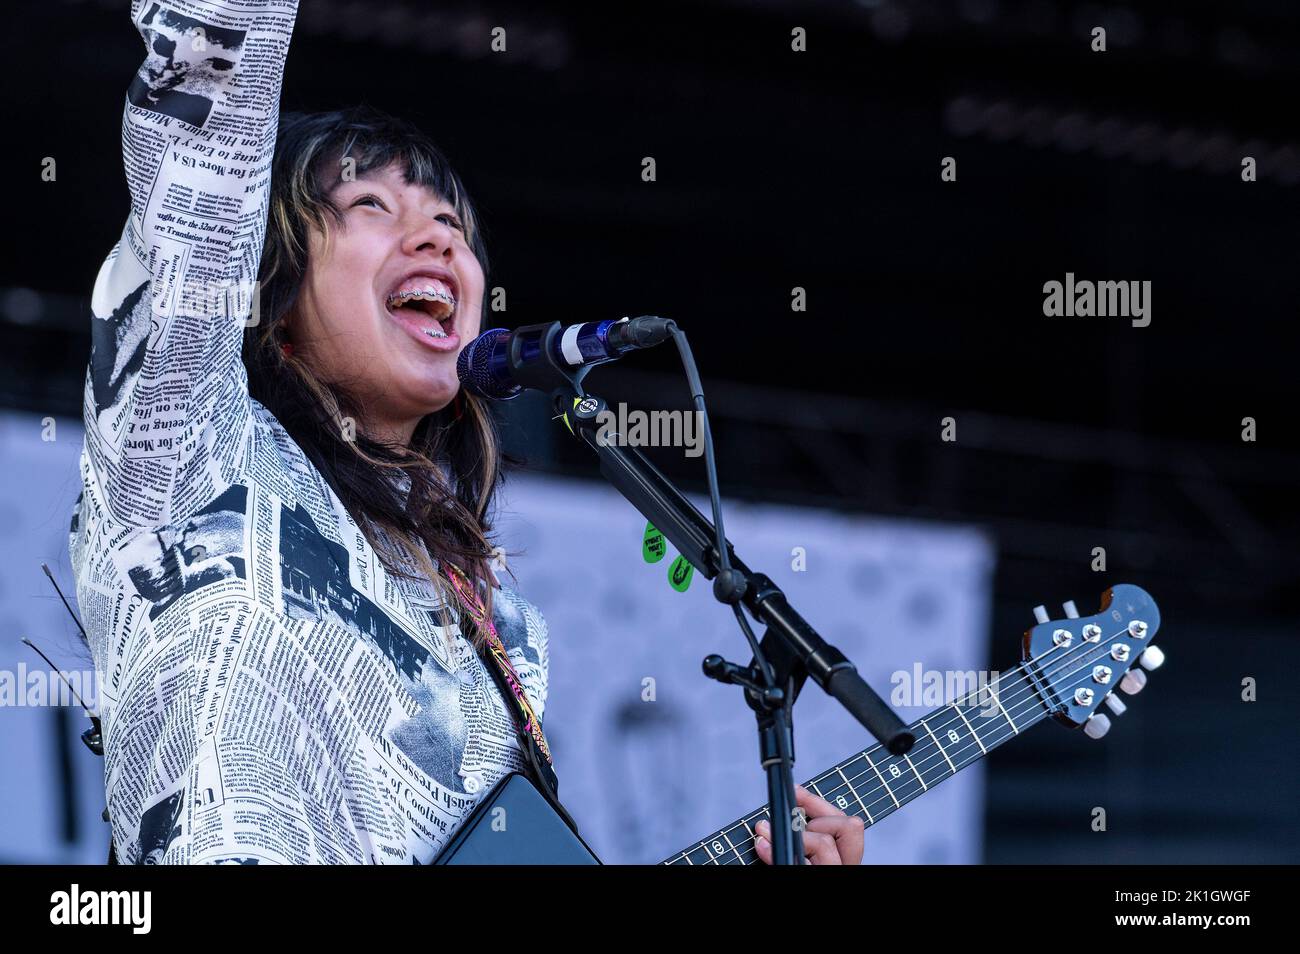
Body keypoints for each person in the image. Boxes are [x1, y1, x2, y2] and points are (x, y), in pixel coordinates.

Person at [72, 0, 862, 864]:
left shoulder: (502, 622)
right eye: (371, 203)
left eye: (453, 223)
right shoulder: (190, 446)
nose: (439, 237)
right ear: (267, 288)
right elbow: (202, 137)